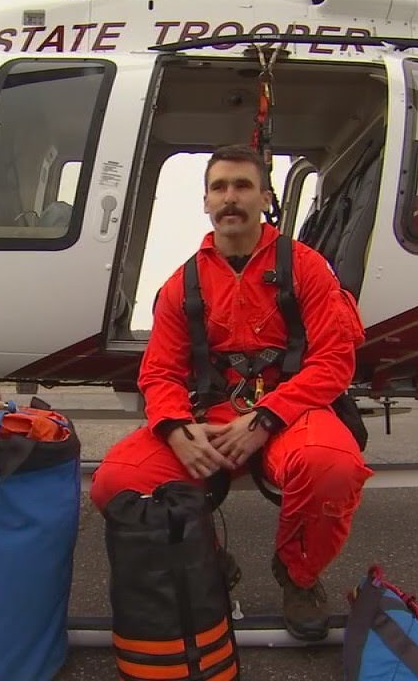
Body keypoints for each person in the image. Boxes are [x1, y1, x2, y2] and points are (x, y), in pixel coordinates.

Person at [90, 144, 373, 641]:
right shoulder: (183, 283)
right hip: (210, 417)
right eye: (219, 187)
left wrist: (265, 418)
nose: (230, 197)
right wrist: (176, 428)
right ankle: (204, 559)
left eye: (242, 186)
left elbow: (333, 363)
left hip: (291, 412)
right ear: (205, 202)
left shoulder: (307, 269)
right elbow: (159, 374)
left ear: (265, 198)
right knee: (117, 481)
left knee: (332, 466)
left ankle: (298, 576)